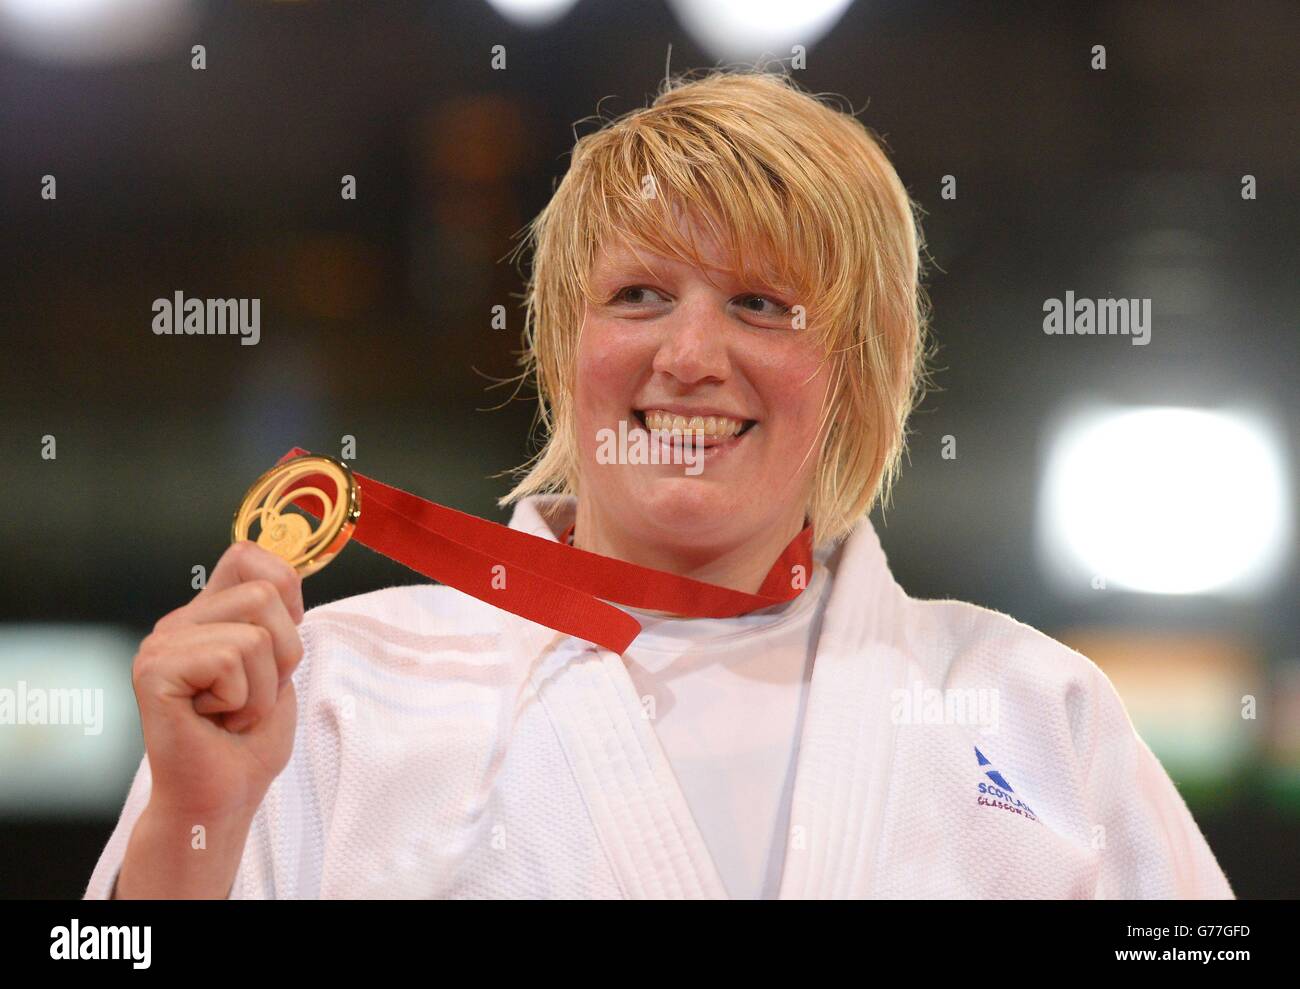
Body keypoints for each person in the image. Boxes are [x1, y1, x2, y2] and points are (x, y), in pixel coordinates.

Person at [86, 68, 1232, 899]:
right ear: (559, 346)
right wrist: (193, 825)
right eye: (638, 295)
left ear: (858, 369)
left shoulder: (1038, 710)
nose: (688, 355)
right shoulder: (329, 695)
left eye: (760, 304)